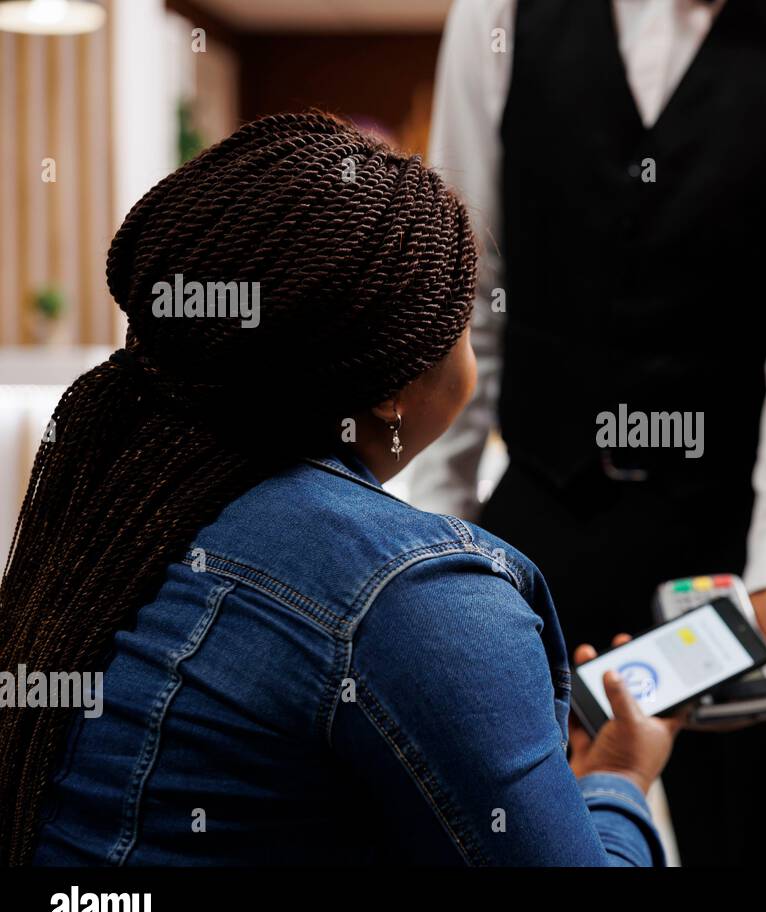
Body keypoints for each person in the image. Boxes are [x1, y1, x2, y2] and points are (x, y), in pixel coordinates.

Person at [0, 112, 680, 867]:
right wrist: (618, 778)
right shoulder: (419, 597)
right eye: (464, 319)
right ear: (394, 387)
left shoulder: (117, 506)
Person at [405, 0, 766, 865]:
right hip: (542, 515)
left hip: (739, 534)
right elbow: (468, 286)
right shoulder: (497, 15)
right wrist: (436, 534)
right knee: (496, 842)